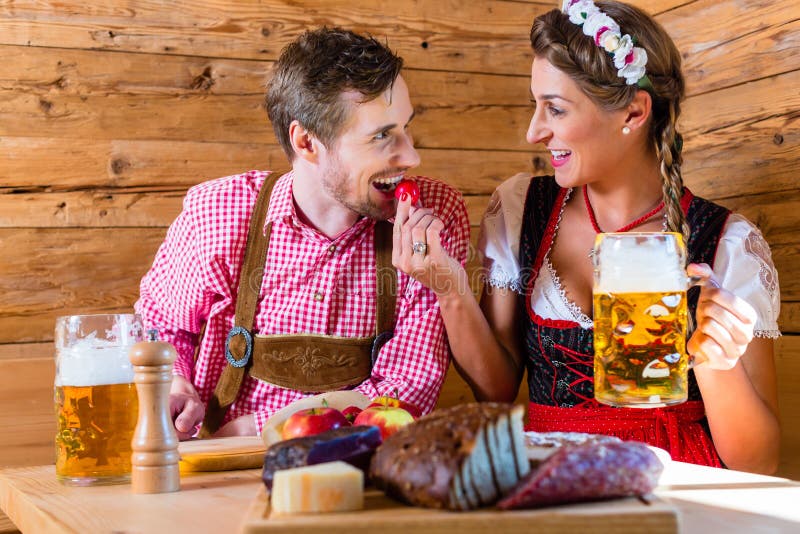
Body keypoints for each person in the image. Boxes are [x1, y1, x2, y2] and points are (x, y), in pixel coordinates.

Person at [394, 0, 781, 473]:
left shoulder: (727, 243)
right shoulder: (521, 209)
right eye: (535, 106)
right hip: (552, 481)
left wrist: (716, 360)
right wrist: (447, 284)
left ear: (635, 113)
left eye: (554, 109)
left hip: (675, 484)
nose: (535, 131)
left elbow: (757, 464)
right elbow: (494, 388)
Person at [135, 27, 470, 439]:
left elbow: (407, 390)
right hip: (217, 473)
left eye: (405, 128)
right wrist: (173, 380)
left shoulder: (430, 218)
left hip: (352, 473)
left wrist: (260, 430)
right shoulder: (218, 214)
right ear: (307, 142)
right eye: (382, 136)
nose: (411, 155)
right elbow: (159, 326)